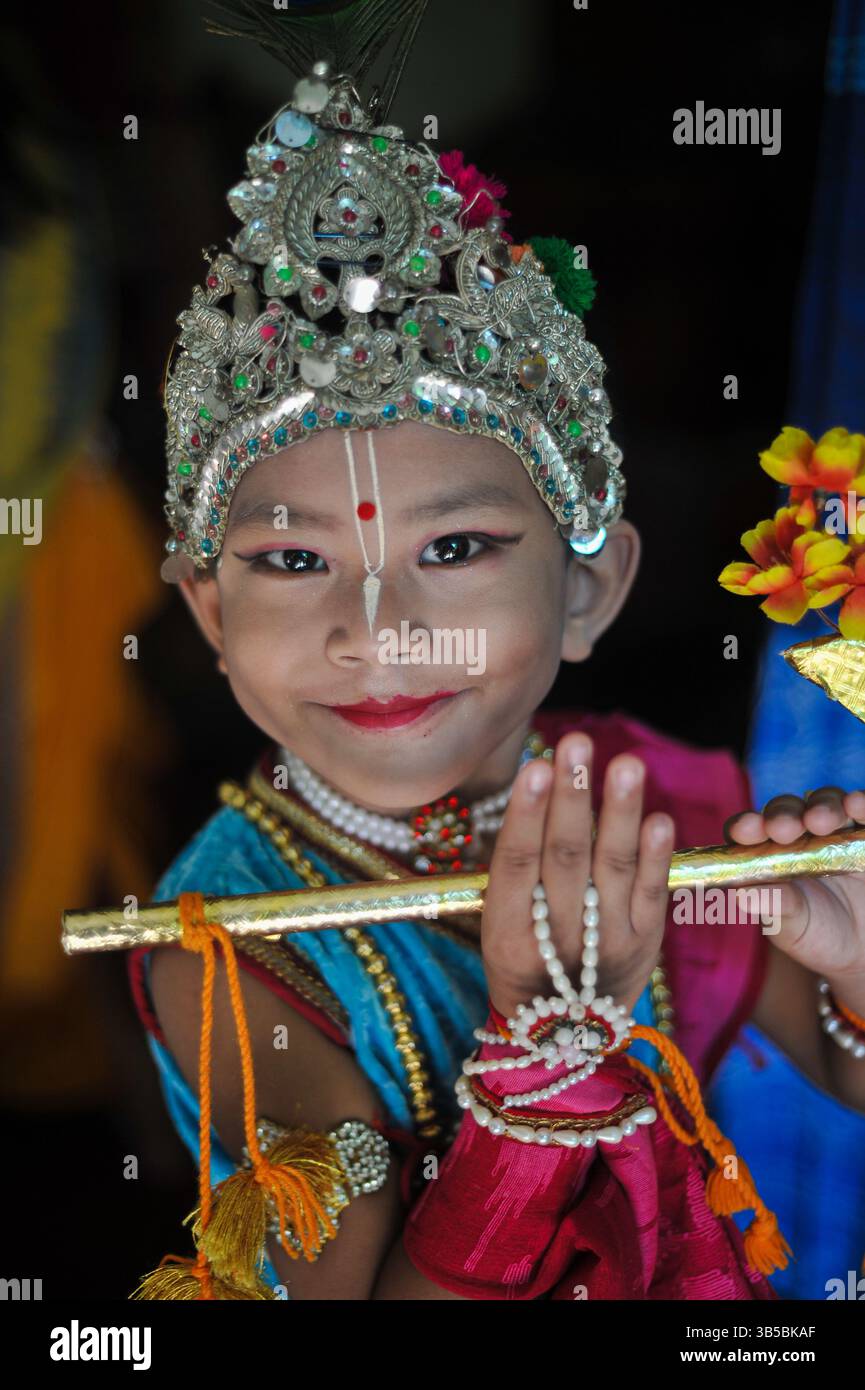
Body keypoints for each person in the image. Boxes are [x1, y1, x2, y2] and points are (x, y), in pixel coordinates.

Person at [126, 12, 865, 1301]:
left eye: (457, 546)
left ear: (591, 589)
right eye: (293, 562)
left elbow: (844, 1065)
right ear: (205, 616)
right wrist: (544, 1054)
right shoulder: (231, 947)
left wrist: (855, 961)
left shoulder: (667, 803)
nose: (382, 629)